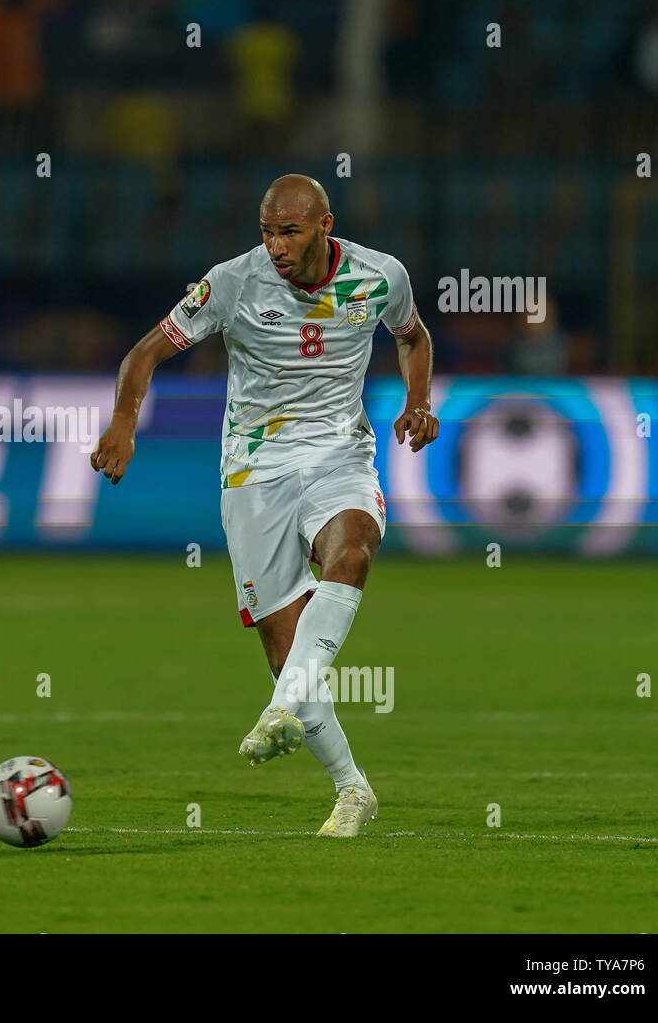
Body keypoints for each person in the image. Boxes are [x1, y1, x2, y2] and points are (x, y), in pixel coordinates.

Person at [91, 174, 438, 836]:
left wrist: (419, 401)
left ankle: (279, 711)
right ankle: (352, 787)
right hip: (254, 471)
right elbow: (144, 354)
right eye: (268, 231)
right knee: (286, 651)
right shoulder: (231, 282)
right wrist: (122, 424)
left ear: (324, 226)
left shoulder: (378, 275)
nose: (277, 246)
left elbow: (413, 336)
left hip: (340, 456)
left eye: (291, 231)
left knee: (354, 546)